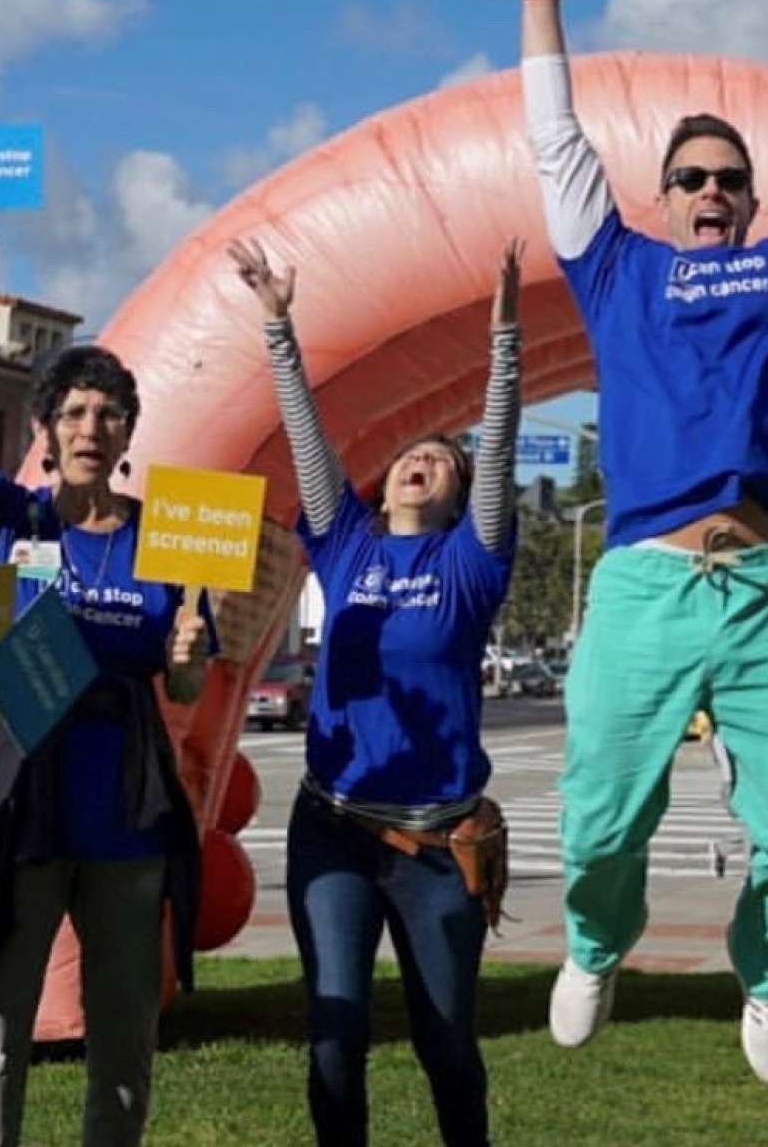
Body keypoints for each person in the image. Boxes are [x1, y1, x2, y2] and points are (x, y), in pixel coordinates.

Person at [496, 0, 768, 1083]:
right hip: (645, 585)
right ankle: (595, 944)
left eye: (729, 176)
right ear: (663, 199)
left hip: (766, 587)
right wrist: (540, 7)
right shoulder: (617, 269)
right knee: (598, 816)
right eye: (691, 177)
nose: (711, 190)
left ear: (752, 198)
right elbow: (556, 144)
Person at [0, 233, 215, 1147]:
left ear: (127, 434)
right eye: (74, 411)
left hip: (125, 822)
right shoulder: (11, 516)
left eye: (109, 413)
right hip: (16, 812)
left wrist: (191, 655)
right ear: (46, 429)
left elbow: (183, 683)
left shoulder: (170, 536)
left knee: (125, 1039)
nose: (91, 427)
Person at [230, 235, 521, 1147]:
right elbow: (308, 440)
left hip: (437, 844)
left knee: (446, 1043)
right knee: (335, 1035)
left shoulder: (471, 565)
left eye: (440, 459)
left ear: (459, 495)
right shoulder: (347, 546)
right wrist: (279, 326)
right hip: (335, 828)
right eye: (408, 455)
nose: (418, 461)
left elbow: (501, 449)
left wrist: (505, 341)